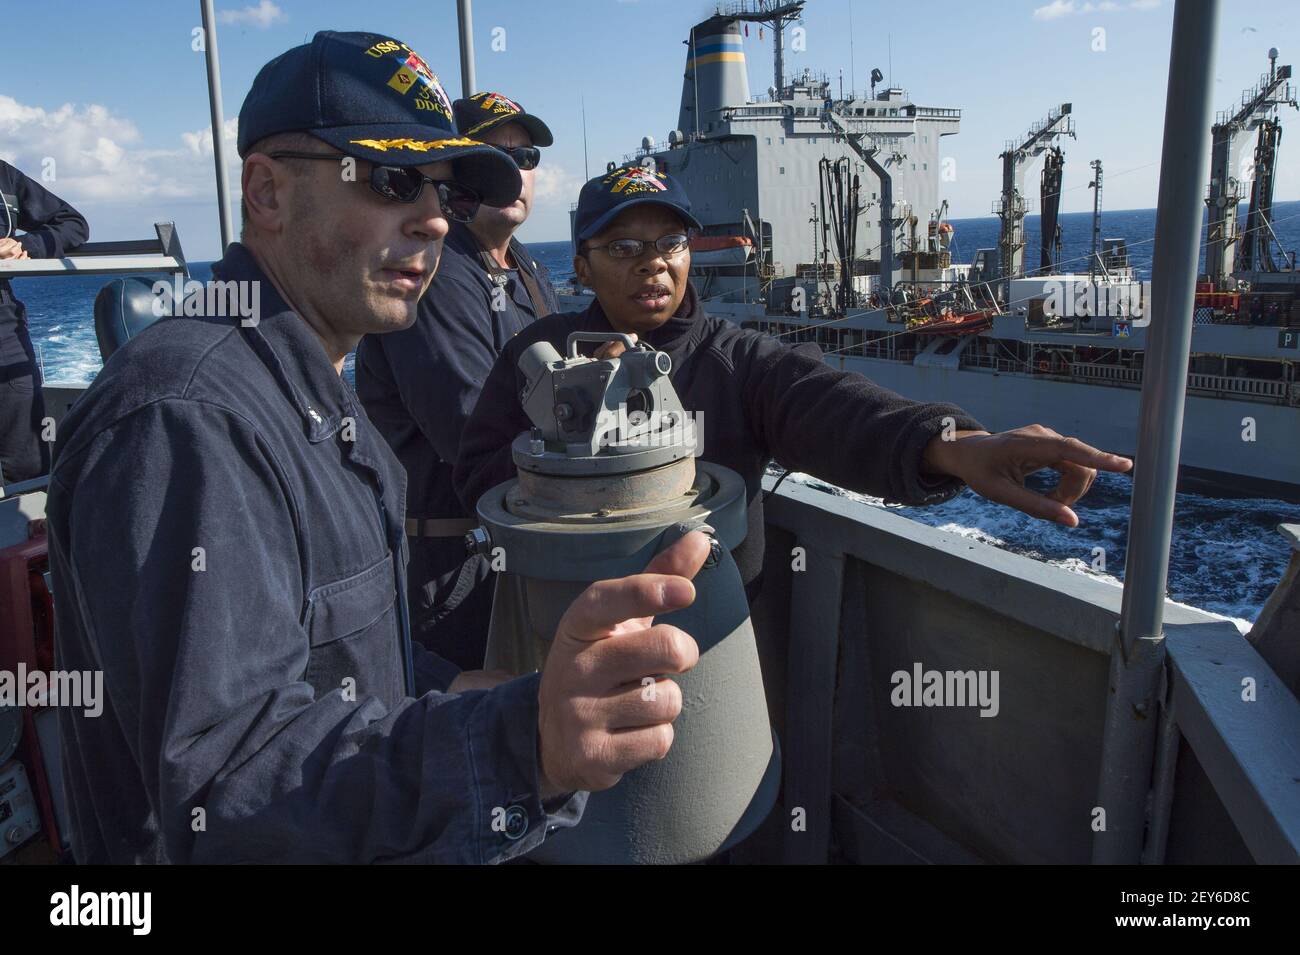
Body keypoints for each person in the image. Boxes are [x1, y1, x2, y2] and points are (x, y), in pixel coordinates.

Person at [49, 33, 708, 864]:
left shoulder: (310, 390)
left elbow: (325, 660)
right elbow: (229, 795)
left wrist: (445, 687)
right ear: (266, 191)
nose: (435, 218)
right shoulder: (189, 424)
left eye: (445, 192)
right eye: (392, 179)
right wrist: (519, 743)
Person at [455, 165, 1133, 616]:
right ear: (581, 265)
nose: (655, 263)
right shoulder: (534, 355)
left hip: (710, 625)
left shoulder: (735, 361)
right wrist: (567, 453)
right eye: (624, 248)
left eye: (670, 242)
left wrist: (955, 445)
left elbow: (829, 406)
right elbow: (481, 476)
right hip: (570, 621)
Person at [356, 90, 556, 670]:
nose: (515, 170)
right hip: (452, 568)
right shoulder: (438, 273)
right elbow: (471, 431)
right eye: (495, 152)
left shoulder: (528, 270)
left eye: (526, 158)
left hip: (516, 544)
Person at [0, 161, 88, 482]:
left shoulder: (4, 177)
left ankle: (31, 528)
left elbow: (73, 224)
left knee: (28, 465)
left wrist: (25, 246)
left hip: (4, 336)